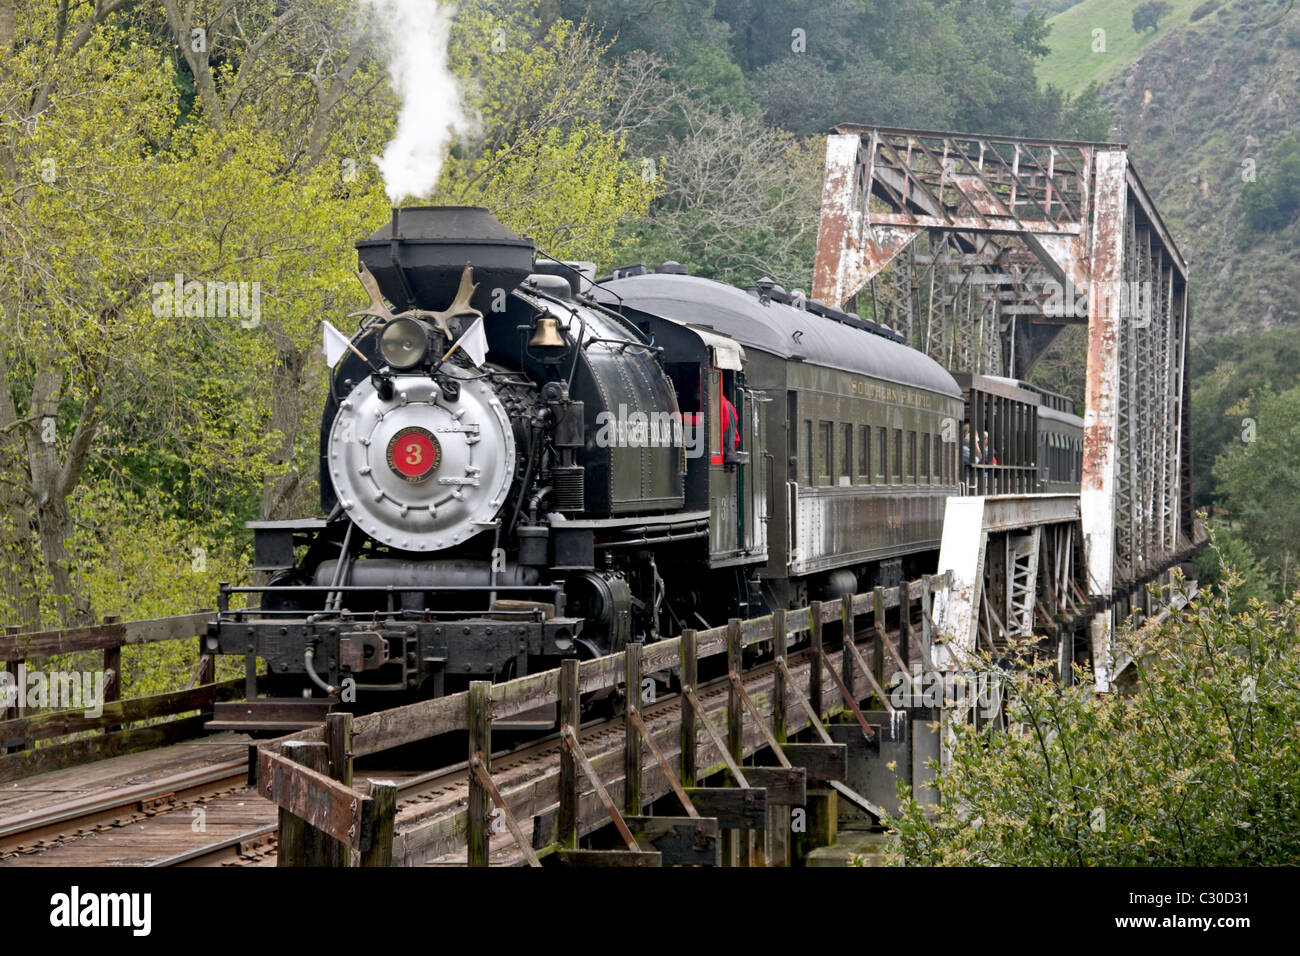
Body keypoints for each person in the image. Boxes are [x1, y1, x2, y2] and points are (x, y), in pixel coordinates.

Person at [721, 393, 740, 462]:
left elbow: (701, 421)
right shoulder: (729, 405)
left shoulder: (713, 405)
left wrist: (685, 417)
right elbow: (736, 438)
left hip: (723, 451)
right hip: (728, 452)